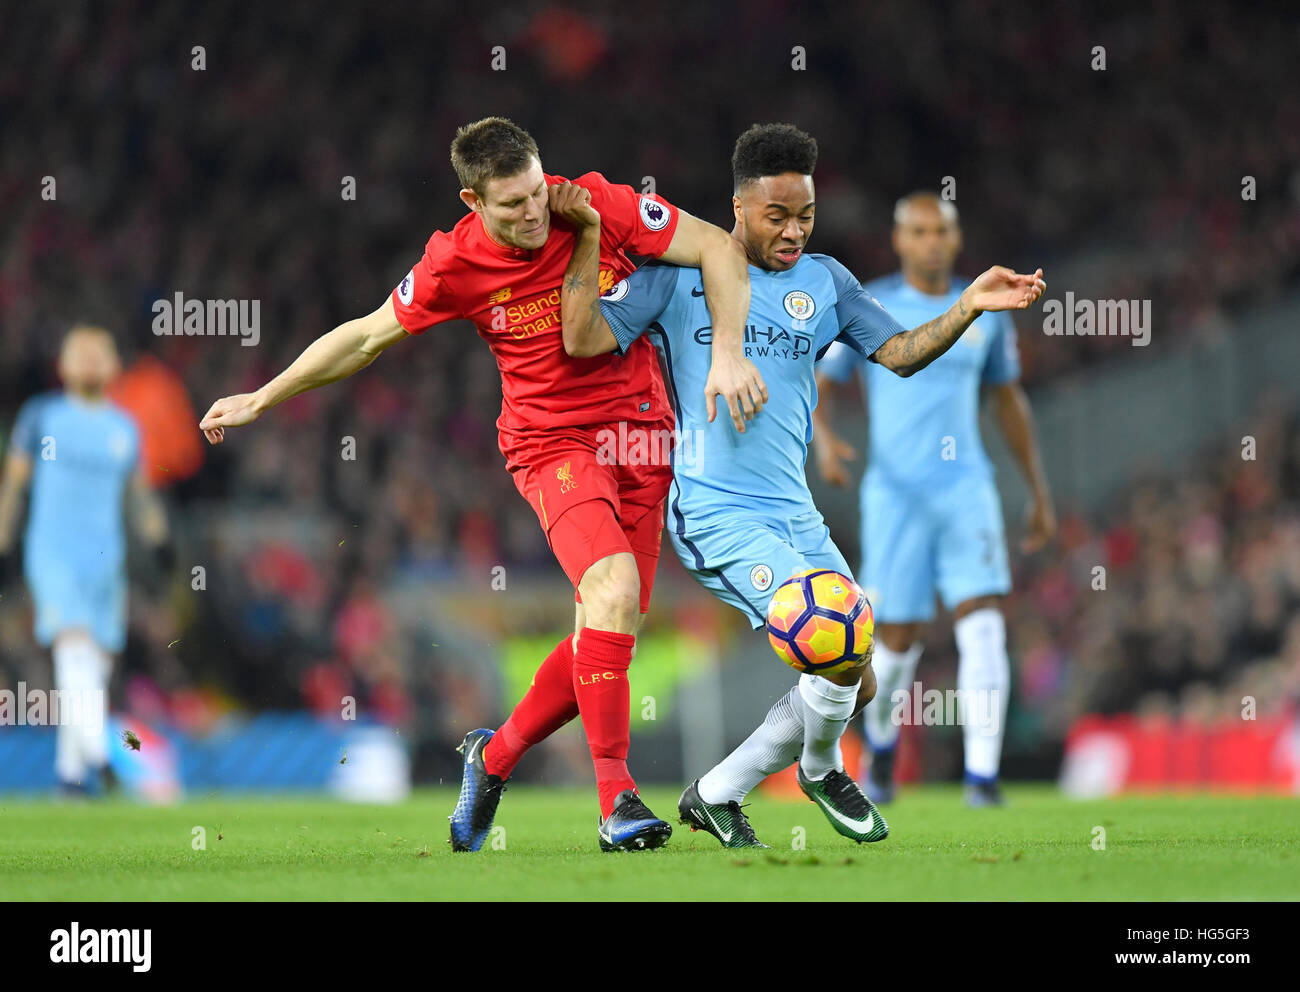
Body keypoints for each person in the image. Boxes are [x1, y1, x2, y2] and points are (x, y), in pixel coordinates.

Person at [199, 117, 768, 852]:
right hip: (552, 444)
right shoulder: (453, 263)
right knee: (615, 593)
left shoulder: (600, 206)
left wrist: (726, 354)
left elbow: (717, 247)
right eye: (511, 205)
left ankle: (491, 758)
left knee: (607, 628)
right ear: (473, 201)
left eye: (536, 193)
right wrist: (263, 397)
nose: (533, 214)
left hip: (642, 442)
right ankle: (617, 801)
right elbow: (368, 336)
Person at [558, 123, 1045, 845]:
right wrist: (592, 241)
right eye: (776, 216)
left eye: (805, 216)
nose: (793, 232)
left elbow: (902, 353)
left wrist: (968, 305)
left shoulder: (826, 282)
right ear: (738, 207)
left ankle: (721, 790)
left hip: (797, 513)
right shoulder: (678, 273)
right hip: (715, 510)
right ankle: (819, 768)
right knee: (833, 642)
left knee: (860, 675)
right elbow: (584, 338)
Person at [813, 192, 1056, 806]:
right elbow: (823, 377)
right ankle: (884, 747)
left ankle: (982, 777)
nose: (930, 242)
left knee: (983, 623)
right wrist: (823, 438)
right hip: (894, 495)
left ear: (955, 239)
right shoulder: (871, 305)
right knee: (894, 639)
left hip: (966, 488)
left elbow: (1007, 400)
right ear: (899, 241)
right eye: (918, 231)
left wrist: (1037, 491)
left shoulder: (989, 309)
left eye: (940, 231)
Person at [0, 325, 169, 794]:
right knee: (73, 647)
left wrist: (160, 543)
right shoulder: (41, 417)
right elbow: (15, 485)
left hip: (105, 559)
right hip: (53, 551)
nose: (92, 359)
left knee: (93, 665)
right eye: (82, 352)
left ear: (115, 365)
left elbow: (140, 496)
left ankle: (70, 778)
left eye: (101, 352)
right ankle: (102, 754)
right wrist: (4, 539)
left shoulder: (124, 428)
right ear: (64, 365)